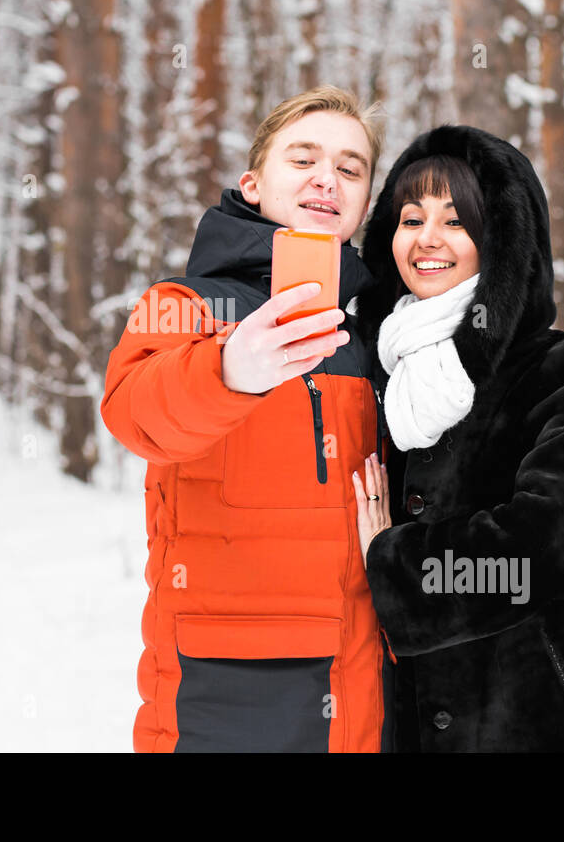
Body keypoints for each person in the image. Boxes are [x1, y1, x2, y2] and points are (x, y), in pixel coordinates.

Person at [100, 85, 390, 752]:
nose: (327, 178)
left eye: (350, 168)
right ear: (252, 183)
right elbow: (135, 411)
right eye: (304, 159)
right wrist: (232, 371)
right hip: (231, 694)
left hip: (367, 686)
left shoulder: (382, 328)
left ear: (365, 203)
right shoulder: (187, 305)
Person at [350, 124, 564, 752]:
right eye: (411, 219)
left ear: (502, 242)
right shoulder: (377, 379)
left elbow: (544, 546)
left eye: (456, 221)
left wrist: (398, 562)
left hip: (550, 720)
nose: (427, 240)